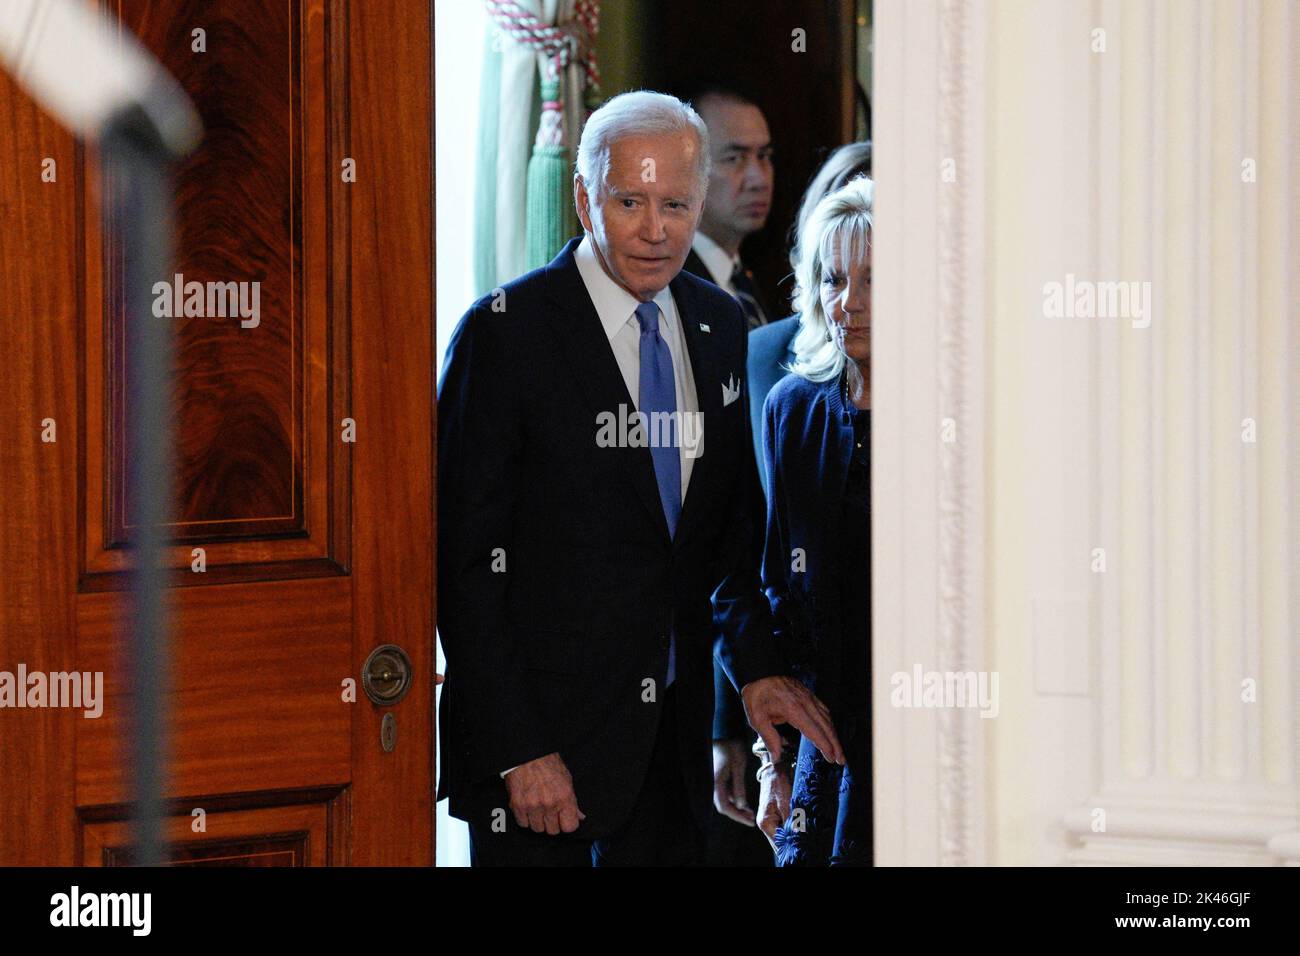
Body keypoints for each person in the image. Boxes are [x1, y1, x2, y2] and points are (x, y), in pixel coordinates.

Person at [437, 90, 842, 867]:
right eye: (631, 202)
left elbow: (724, 546)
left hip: (672, 763)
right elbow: (463, 567)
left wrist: (755, 670)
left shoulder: (721, 326)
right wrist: (520, 751)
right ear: (585, 197)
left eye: (677, 205)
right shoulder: (504, 333)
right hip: (540, 770)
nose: (657, 231)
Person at [751, 176, 875, 865]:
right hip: (821, 736)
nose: (848, 303)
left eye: (871, 280)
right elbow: (778, 590)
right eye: (832, 278)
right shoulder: (792, 409)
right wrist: (776, 761)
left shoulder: (954, 406)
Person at [679, 83, 777, 331]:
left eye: (764, 156)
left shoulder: (751, 281)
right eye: (735, 158)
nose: (759, 179)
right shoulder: (668, 282)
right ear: (687, 168)